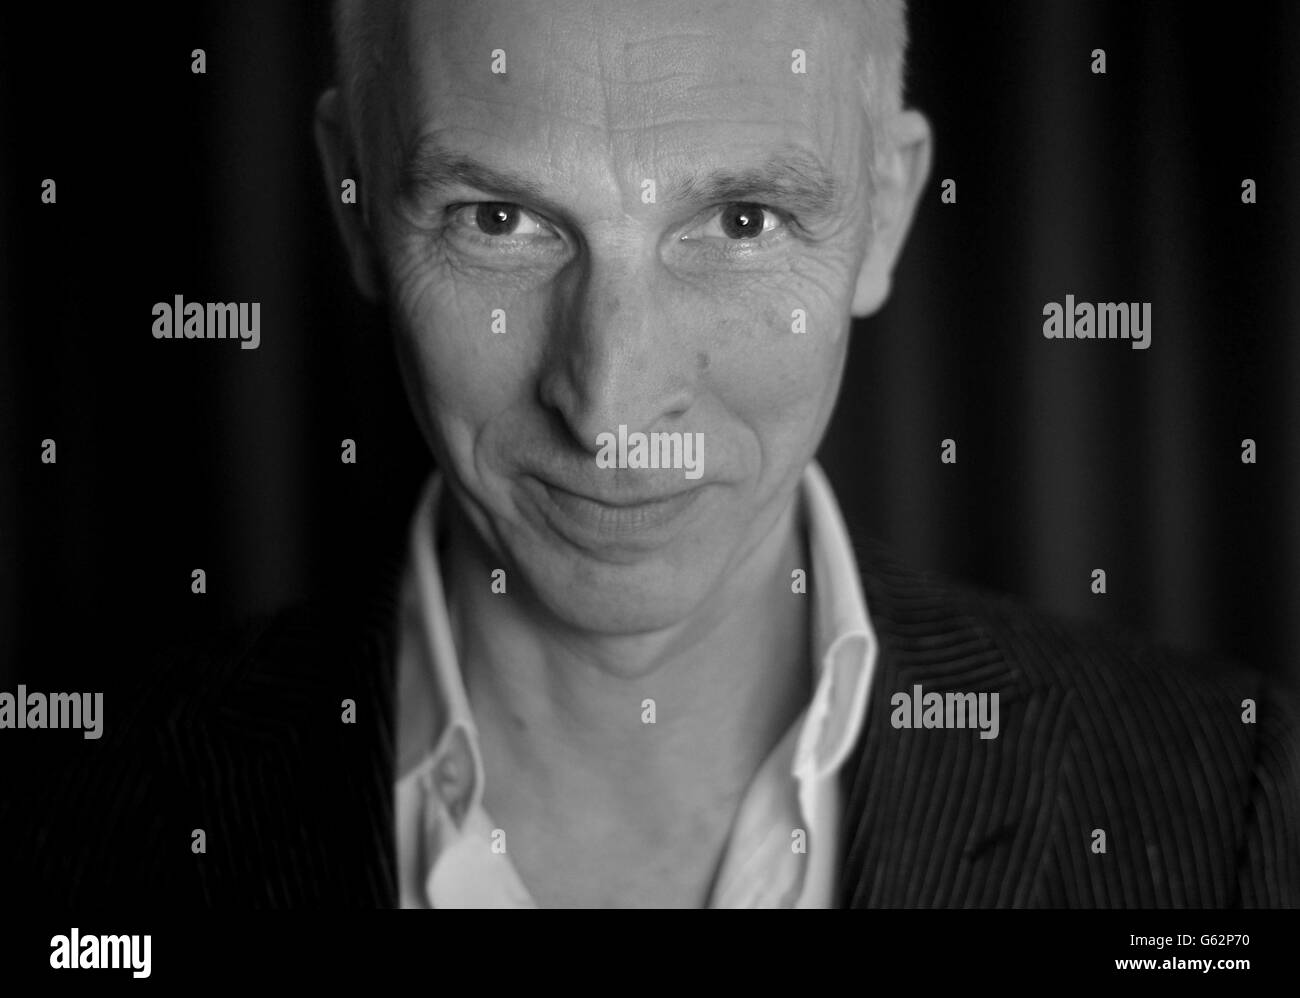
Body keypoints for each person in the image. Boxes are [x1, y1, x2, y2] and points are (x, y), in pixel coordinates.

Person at [25, 0, 1299, 908]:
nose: (609, 397)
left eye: (742, 219)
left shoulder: (1234, 808)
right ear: (352, 194)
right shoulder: (75, 825)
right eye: (500, 217)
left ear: (885, 214)